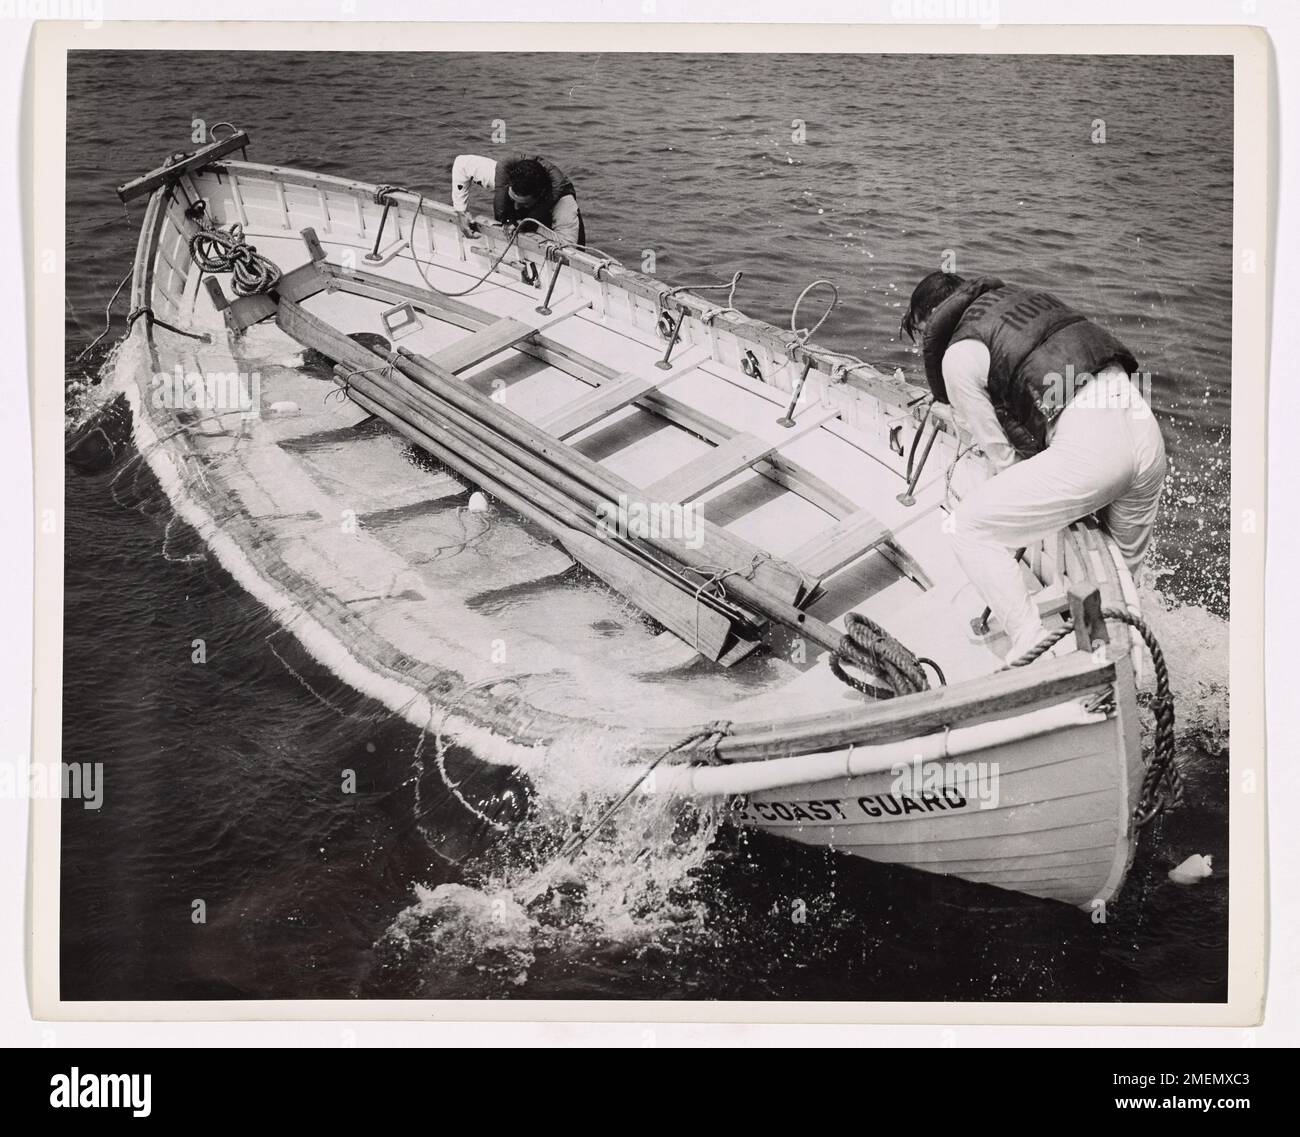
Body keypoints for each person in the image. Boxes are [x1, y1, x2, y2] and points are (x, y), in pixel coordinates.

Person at [899, 271, 1167, 662]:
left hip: (1092, 454)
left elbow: (1003, 459)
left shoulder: (958, 354)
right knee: (1122, 588)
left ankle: (1029, 644)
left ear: (931, 320)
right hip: (1147, 437)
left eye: (922, 334)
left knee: (968, 529)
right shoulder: (1029, 300)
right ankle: (1130, 679)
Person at [450, 153, 586, 245]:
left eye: (523, 203)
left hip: (557, 234)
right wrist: (460, 212)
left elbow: (569, 246)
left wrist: (531, 228)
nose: (515, 207)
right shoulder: (504, 178)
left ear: (541, 195)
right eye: (512, 199)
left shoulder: (564, 203)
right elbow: (461, 164)